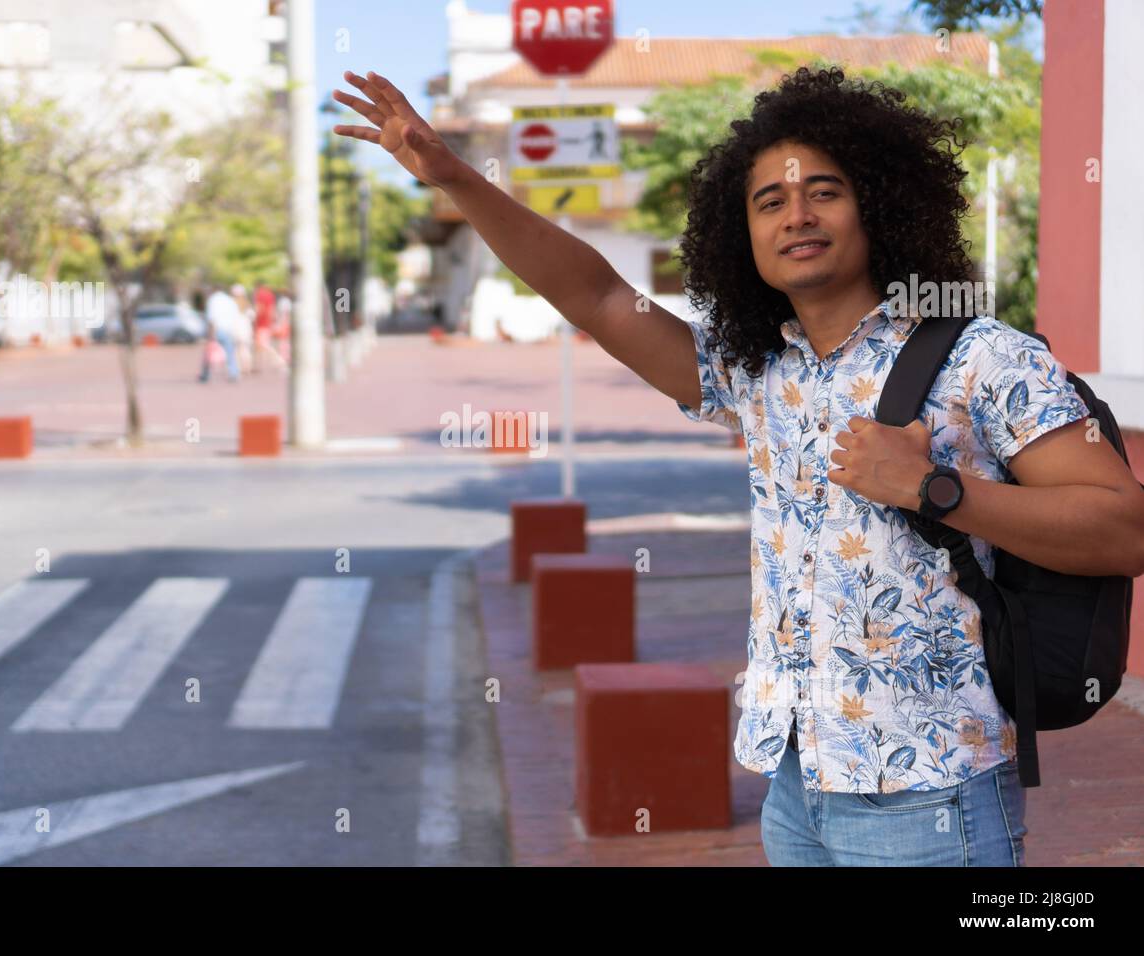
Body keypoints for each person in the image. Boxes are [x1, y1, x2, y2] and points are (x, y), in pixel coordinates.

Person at [332, 66, 1144, 866]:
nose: (797, 214)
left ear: (880, 206)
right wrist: (455, 179)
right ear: (743, 233)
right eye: (770, 200)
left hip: (931, 792)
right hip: (792, 785)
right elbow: (601, 299)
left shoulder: (983, 359)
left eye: (824, 191)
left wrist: (937, 489)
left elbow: (1125, 529)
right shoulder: (757, 371)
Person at [199, 285, 242, 383]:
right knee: (230, 353)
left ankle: (205, 374)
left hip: (217, 329)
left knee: (209, 352)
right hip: (228, 329)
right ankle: (233, 373)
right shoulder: (229, 300)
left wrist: (211, 334)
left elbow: (212, 318)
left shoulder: (213, 300)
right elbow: (235, 316)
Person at [251, 283, 287, 373]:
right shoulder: (270, 295)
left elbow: (259, 309)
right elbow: (272, 309)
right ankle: (257, 365)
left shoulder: (260, 295)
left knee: (263, 345)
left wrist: (254, 318)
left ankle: (279, 360)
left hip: (261, 324)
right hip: (266, 323)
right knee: (260, 346)